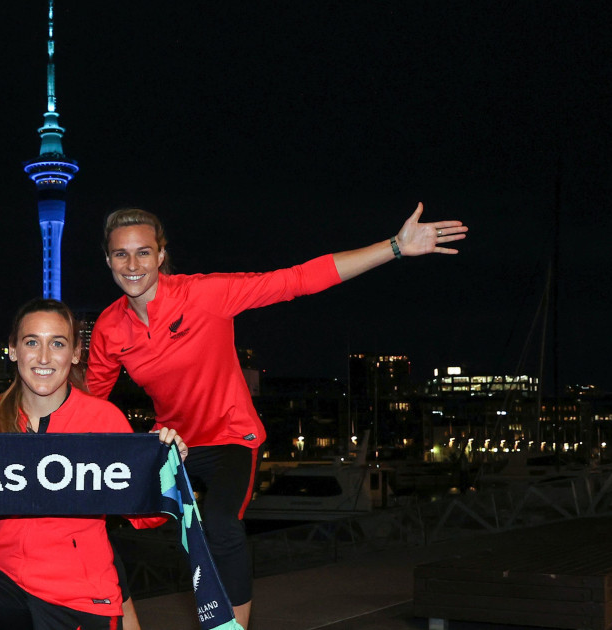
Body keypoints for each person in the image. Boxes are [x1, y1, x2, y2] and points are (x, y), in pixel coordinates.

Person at [87, 204, 468, 628]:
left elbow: (297, 280)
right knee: (94, 513)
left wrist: (395, 247)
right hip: (173, 444)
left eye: (143, 252)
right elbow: (91, 402)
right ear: (108, 261)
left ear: (161, 256)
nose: (133, 264)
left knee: (220, 525)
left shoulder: (205, 294)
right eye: (121, 254)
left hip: (230, 436)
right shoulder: (109, 328)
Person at [0, 299, 186, 630]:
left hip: (82, 597)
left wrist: (166, 473)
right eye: (31, 342)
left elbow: (146, 516)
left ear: (76, 353)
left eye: (57, 343)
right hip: (8, 583)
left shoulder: (103, 419)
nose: (43, 357)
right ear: (13, 350)